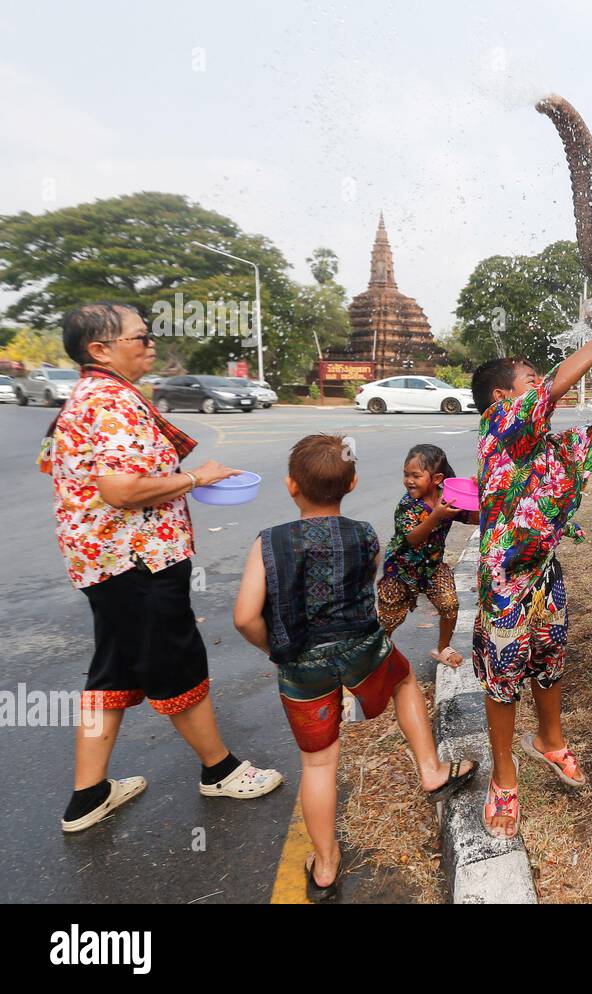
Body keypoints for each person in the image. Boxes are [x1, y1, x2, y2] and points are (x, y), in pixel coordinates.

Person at [44, 302, 282, 834]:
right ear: (99, 350)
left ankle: (89, 795)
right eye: (140, 337)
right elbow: (121, 489)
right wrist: (197, 478)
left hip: (106, 563)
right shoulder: (109, 401)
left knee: (112, 668)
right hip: (137, 562)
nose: (150, 344)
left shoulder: (93, 395)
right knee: (174, 662)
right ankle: (219, 770)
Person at [233, 433, 475, 901]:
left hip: (303, 665)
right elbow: (364, 587)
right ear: (353, 482)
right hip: (363, 650)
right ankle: (431, 770)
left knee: (319, 764)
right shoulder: (364, 533)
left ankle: (324, 868)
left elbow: (244, 617)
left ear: (290, 486)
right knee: (404, 680)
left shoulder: (269, 542)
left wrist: (277, 651)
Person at [470, 319, 592, 839]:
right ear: (502, 397)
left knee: (549, 663)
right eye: (529, 379)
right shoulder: (498, 429)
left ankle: (550, 740)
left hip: (545, 575)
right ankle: (503, 778)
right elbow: (554, 387)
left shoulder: (548, 450)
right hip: (504, 583)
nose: (540, 386)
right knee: (503, 678)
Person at [377, 444, 475, 666]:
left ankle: (443, 648)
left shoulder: (448, 498)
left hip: (432, 567)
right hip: (400, 570)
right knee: (390, 618)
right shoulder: (407, 505)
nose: (409, 480)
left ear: (437, 478)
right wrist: (436, 516)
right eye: (406, 475)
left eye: (416, 475)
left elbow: (474, 518)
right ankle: (377, 657)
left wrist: (482, 492)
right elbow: (412, 538)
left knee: (449, 605)